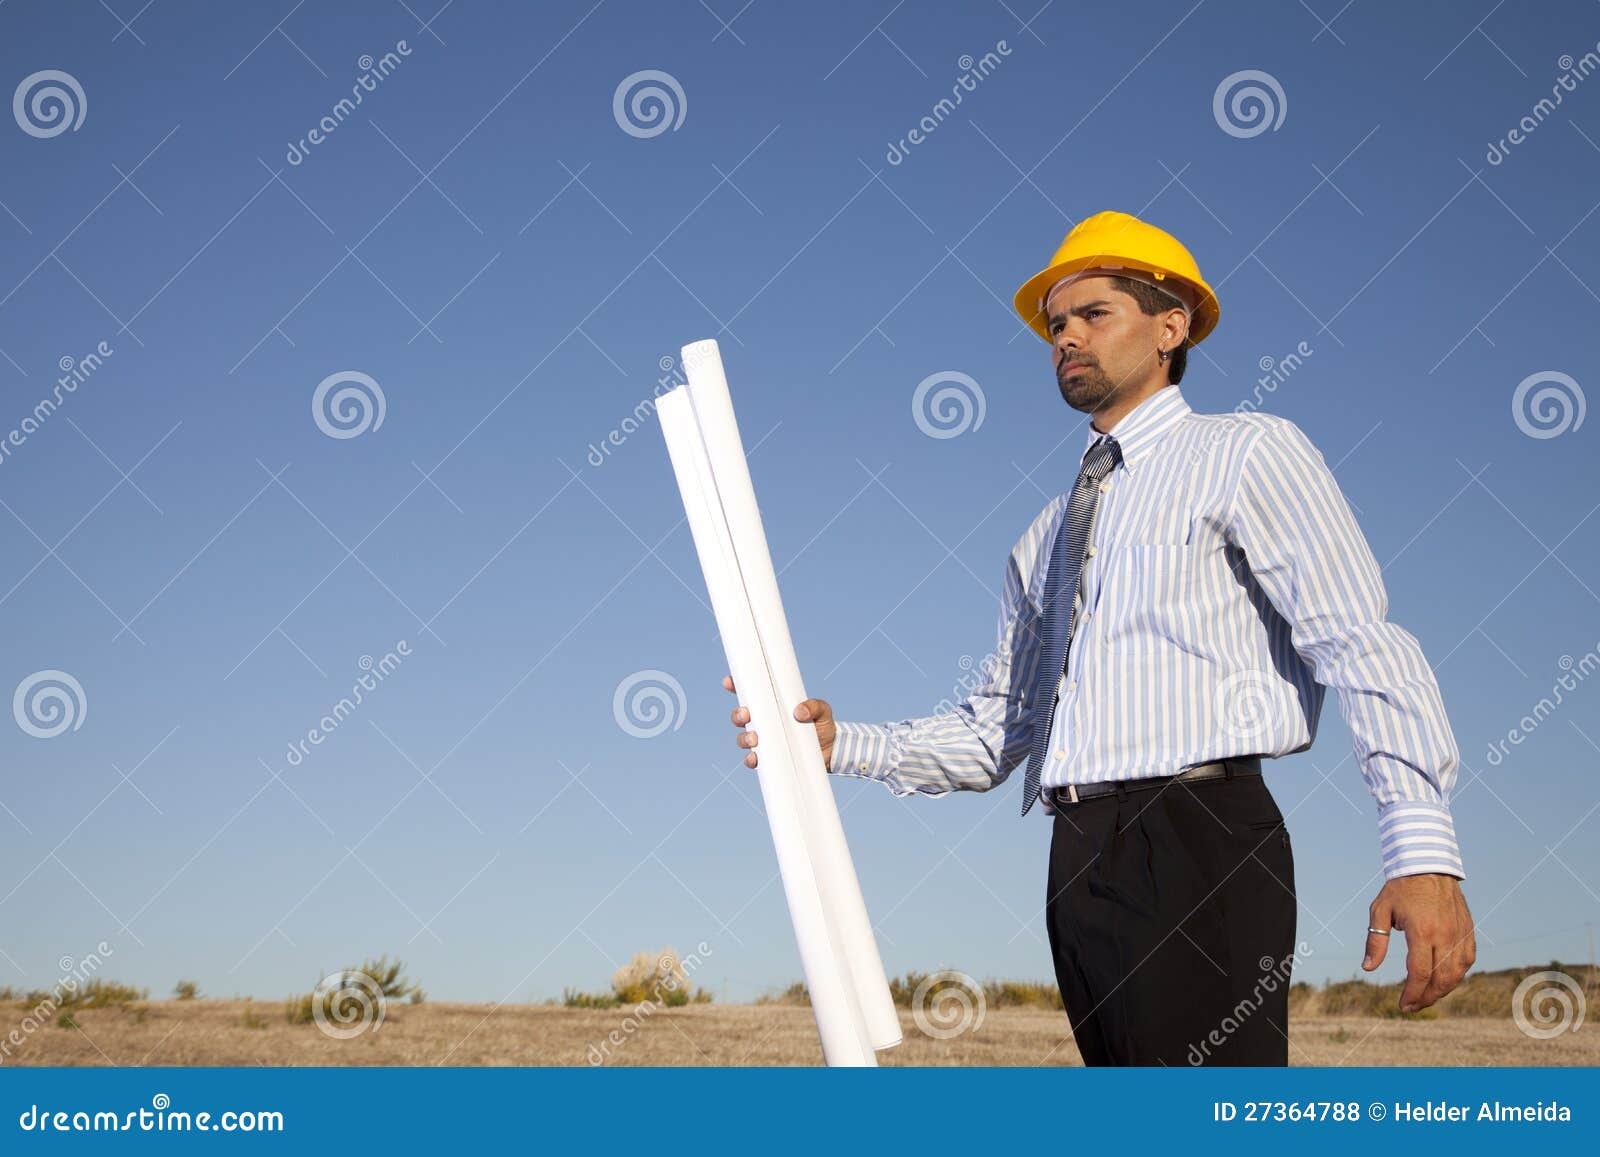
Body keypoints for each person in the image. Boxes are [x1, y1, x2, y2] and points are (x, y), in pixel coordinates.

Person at [723, 210, 1475, 1066]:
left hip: (1199, 837)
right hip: (1076, 856)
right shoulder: (1043, 536)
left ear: (1170, 327)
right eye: (1055, 325)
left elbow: (1361, 643)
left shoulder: (1247, 452)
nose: (1066, 337)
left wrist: (1421, 851)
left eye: (1093, 314)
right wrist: (837, 743)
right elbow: (999, 728)